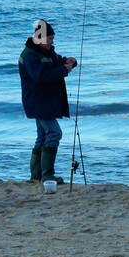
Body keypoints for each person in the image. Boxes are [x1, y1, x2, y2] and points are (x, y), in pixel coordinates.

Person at [19, 18, 77, 187]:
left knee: (42, 136)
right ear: (40, 38)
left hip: (45, 101)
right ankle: (47, 176)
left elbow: (58, 62)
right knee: (54, 133)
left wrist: (70, 62)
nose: (52, 42)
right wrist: (63, 70)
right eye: (49, 39)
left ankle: (37, 177)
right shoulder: (29, 55)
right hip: (38, 101)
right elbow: (40, 76)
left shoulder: (47, 52)